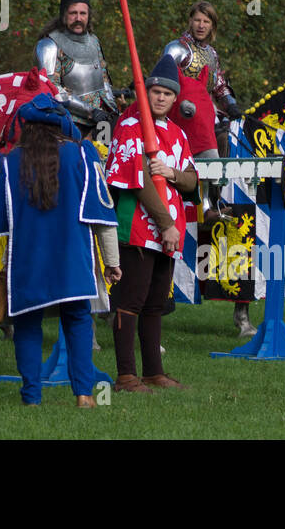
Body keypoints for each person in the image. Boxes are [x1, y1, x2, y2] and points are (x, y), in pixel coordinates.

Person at [0, 94, 120, 406]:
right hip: (73, 257)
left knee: (27, 322)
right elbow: (102, 214)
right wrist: (112, 261)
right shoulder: (83, 156)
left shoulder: (6, 164)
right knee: (77, 318)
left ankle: (31, 396)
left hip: (27, 258)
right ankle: (85, 395)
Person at [104, 54, 198, 392]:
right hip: (138, 228)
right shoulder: (130, 126)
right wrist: (165, 223)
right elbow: (136, 179)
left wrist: (171, 173)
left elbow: (191, 180)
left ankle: (153, 372)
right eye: (155, 92)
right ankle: (126, 375)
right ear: (145, 94)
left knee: (156, 302)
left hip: (169, 231)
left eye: (167, 94)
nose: (160, 98)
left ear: (175, 99)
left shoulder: (177, 133)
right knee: (130, 300)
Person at [163, 0, 249, 334]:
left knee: (221, 148)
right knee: (208, 158)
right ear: (189, 20)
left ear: (212, 26)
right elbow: (164, 76)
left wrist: (229, 101)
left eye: (206, 21)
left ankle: (213, 201)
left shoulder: (211, 55)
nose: (201, 25)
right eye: (196, 19)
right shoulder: (177, 48)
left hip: (203, 110)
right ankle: (203, 203)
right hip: (179, 111)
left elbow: (218, 84)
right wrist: (176, 101)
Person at [35, 0, 119, 135]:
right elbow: (51, 88)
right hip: (69, 121)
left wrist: (111, 107)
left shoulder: (93, 41)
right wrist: (90, 111)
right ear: (64, 15)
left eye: (83, 13)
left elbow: (103, 78)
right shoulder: (49, 46)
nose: (78, 18)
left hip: (101, 119)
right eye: (73, 13)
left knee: (107, 154)